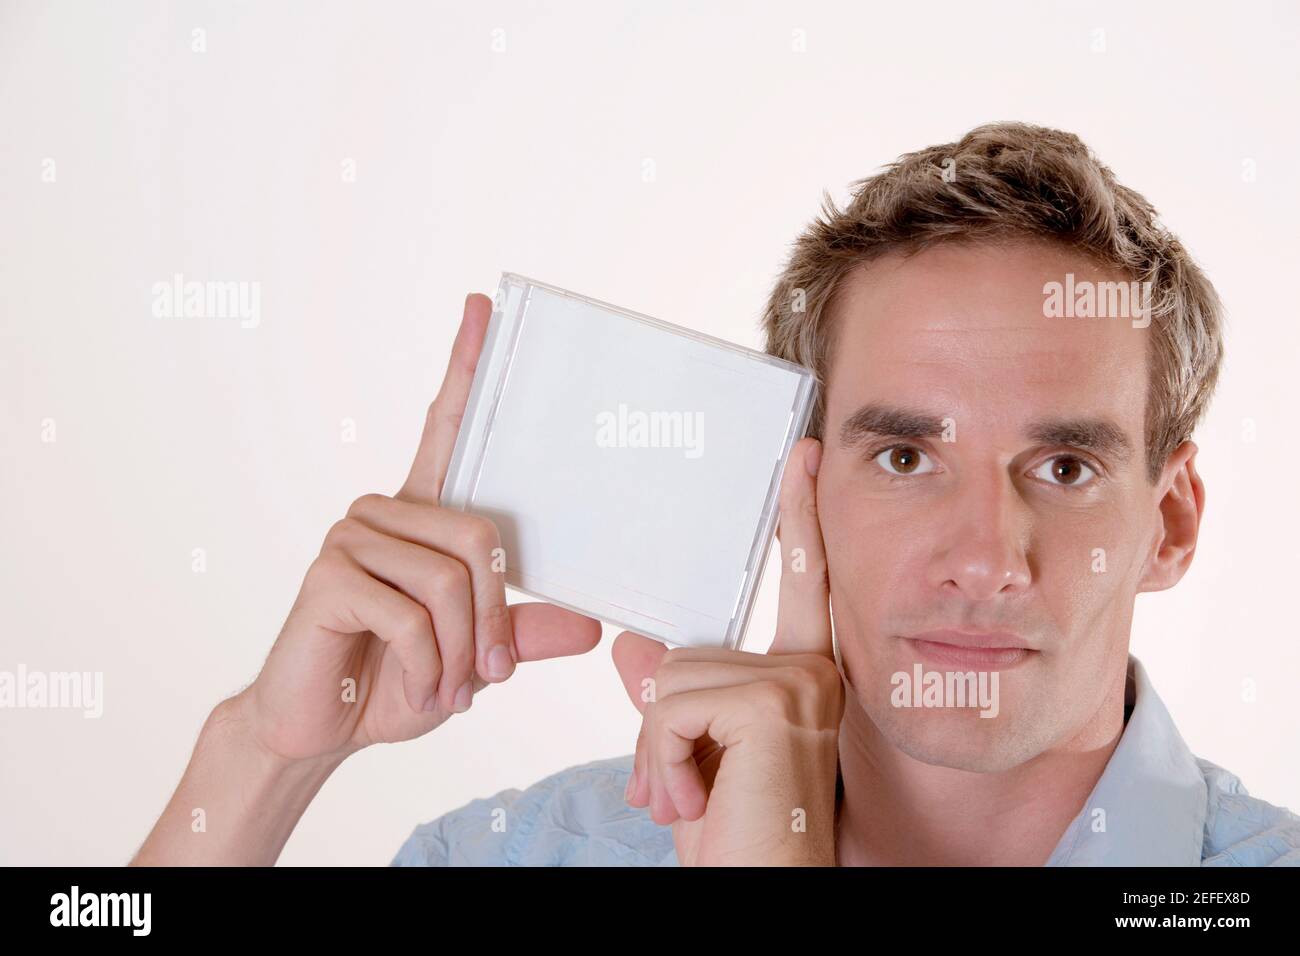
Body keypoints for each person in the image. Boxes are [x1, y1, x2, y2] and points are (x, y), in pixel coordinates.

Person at [131, 122, 1300, 867]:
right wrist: (260, 754)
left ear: (1172, 518)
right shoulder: (525, 857)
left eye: (1063, 466)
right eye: (903, 456)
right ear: (788, 486)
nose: (984, 555)